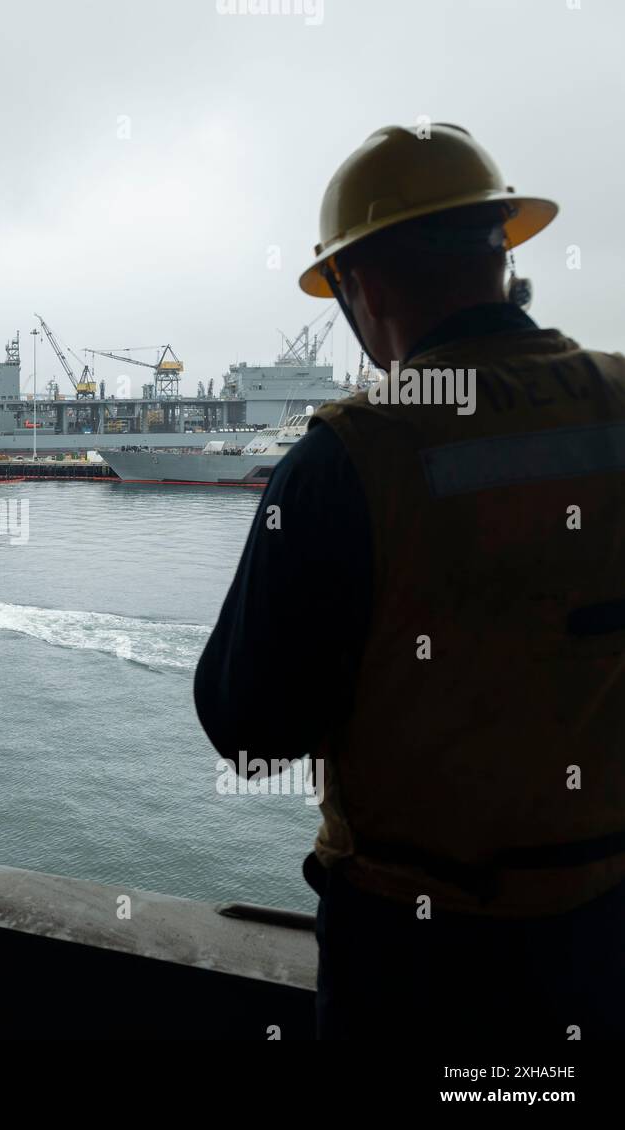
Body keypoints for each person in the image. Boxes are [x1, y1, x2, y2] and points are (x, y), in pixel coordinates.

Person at [194, 125, 625, 1039]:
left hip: (419, 955)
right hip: (606, 931)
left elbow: (250, 730)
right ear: (502, 253)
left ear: (365, 286)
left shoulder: (350, 457)